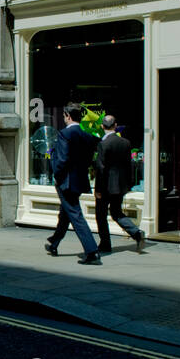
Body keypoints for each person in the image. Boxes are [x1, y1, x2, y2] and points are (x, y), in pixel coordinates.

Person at [44, 103, 102, 265]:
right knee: (66, 213)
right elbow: (89, 157)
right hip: (79, 179)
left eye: (64, 116)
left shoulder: (64, 134)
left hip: (66, 181)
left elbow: (62, 160)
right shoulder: (87, 135)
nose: (64, 119)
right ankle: (54, 242)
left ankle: (91, 251)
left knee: (75, 214)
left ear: (68, 116)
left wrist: (56, 173)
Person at [94, 114, 145, 254]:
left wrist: (98, 189)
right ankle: (136, 233)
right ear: (115, 126)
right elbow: (129, 166)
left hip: (105, 187)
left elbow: (101, 168)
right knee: (116, 212)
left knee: (100, 215)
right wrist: (127, 185)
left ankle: (105, 243)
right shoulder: (126, 143)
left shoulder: (103, 144)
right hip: (120, 186)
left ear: (102, 126)